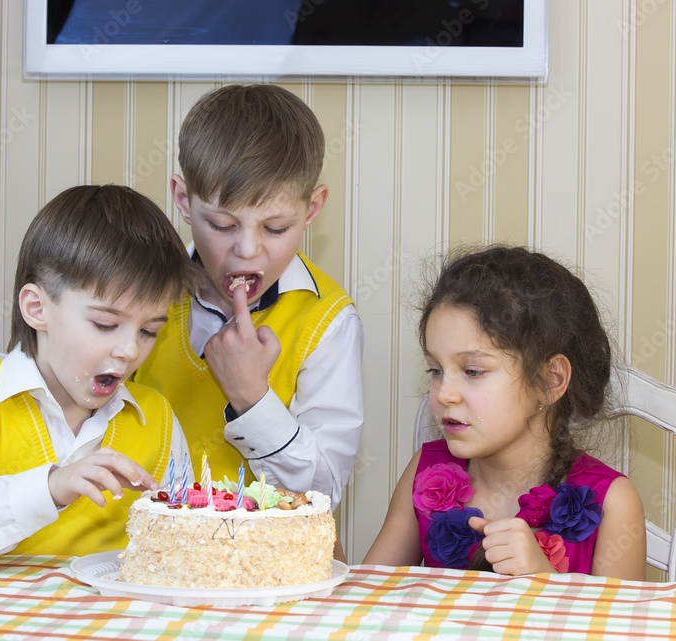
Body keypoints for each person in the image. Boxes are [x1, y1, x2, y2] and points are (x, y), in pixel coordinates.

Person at [0, 185, 200, 565]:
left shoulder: (156, 420)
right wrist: (49, 488)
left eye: (148, 332)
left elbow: (183, 540)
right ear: (37, 308)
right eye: (106, 324)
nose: (130, 351)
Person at [133, 84, 365, 514]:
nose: (247, 251)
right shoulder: (137, 294)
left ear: (312, 210)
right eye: (222, 225)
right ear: (184, 201)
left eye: (275, 229)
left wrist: (251, 398)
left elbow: (321, 496)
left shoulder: (329, 321)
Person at [364, 246, 646, 579]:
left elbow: (615, 628)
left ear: (550, 381)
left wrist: (546, 581)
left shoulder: (613, 502)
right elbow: (367, 594)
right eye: (436, 370)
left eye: (472, 371)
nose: (444, 393)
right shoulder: (424, 473)